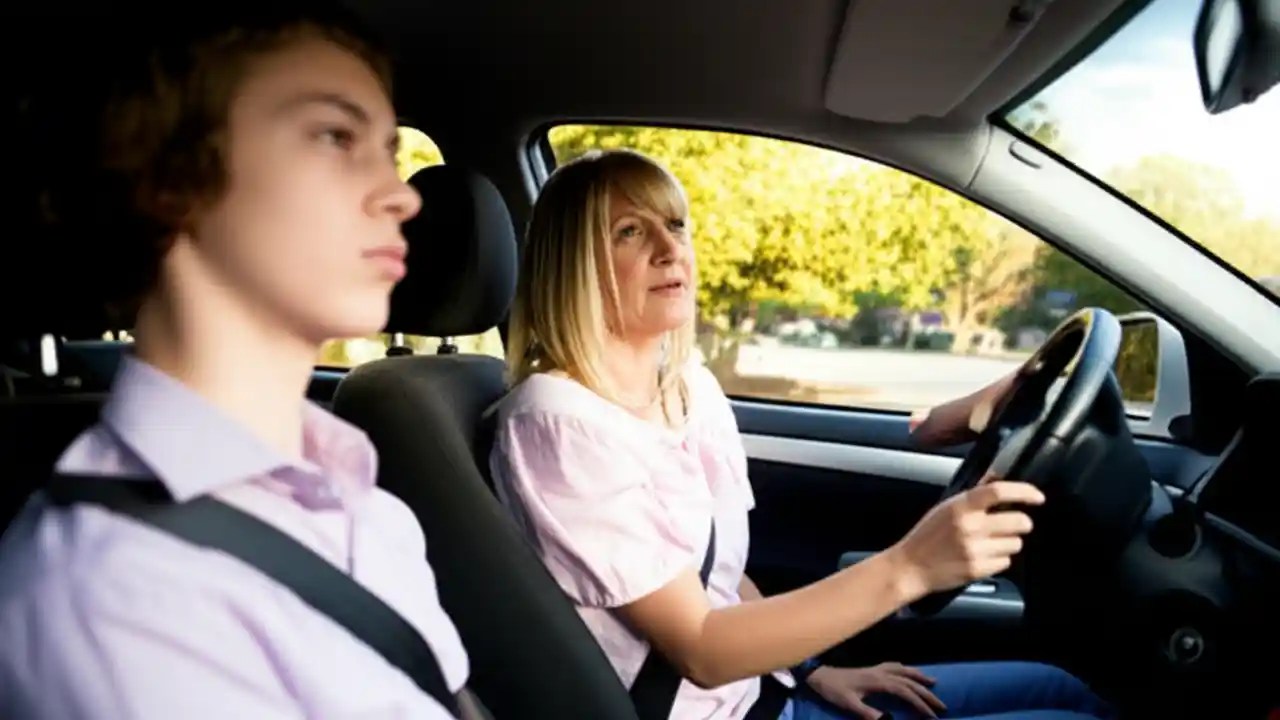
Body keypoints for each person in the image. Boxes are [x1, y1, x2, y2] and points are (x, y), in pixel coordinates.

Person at [488, 149, 1116, 720]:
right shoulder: (557, 423)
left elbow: (724, 580)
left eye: (675, 225)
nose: (669, 248)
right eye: (631, 232)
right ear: (574, 265)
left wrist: (811, 672)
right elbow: (702, 648)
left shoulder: (687, 386)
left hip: (768, 695)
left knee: (1062, 690)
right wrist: (910, 567)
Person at [0, 3, 478, 718]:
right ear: (168, 174)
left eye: (388, 148)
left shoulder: (367, 506)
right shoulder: (115, 594)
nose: (403, 195)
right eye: (333, 135)